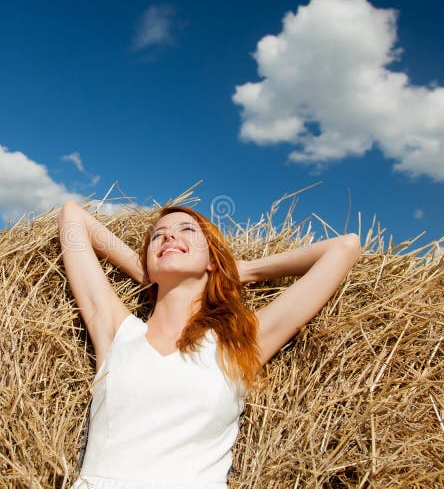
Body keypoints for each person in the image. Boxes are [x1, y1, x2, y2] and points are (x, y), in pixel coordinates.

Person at [58, 199, 361, 488]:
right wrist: (146, 271)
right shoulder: (115, 331)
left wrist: (243, 269)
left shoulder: (242, 340)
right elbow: (73, 217)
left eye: (186, 231)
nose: (169, 236)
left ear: (212, 260)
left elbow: (344, 247)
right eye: (157, 237)